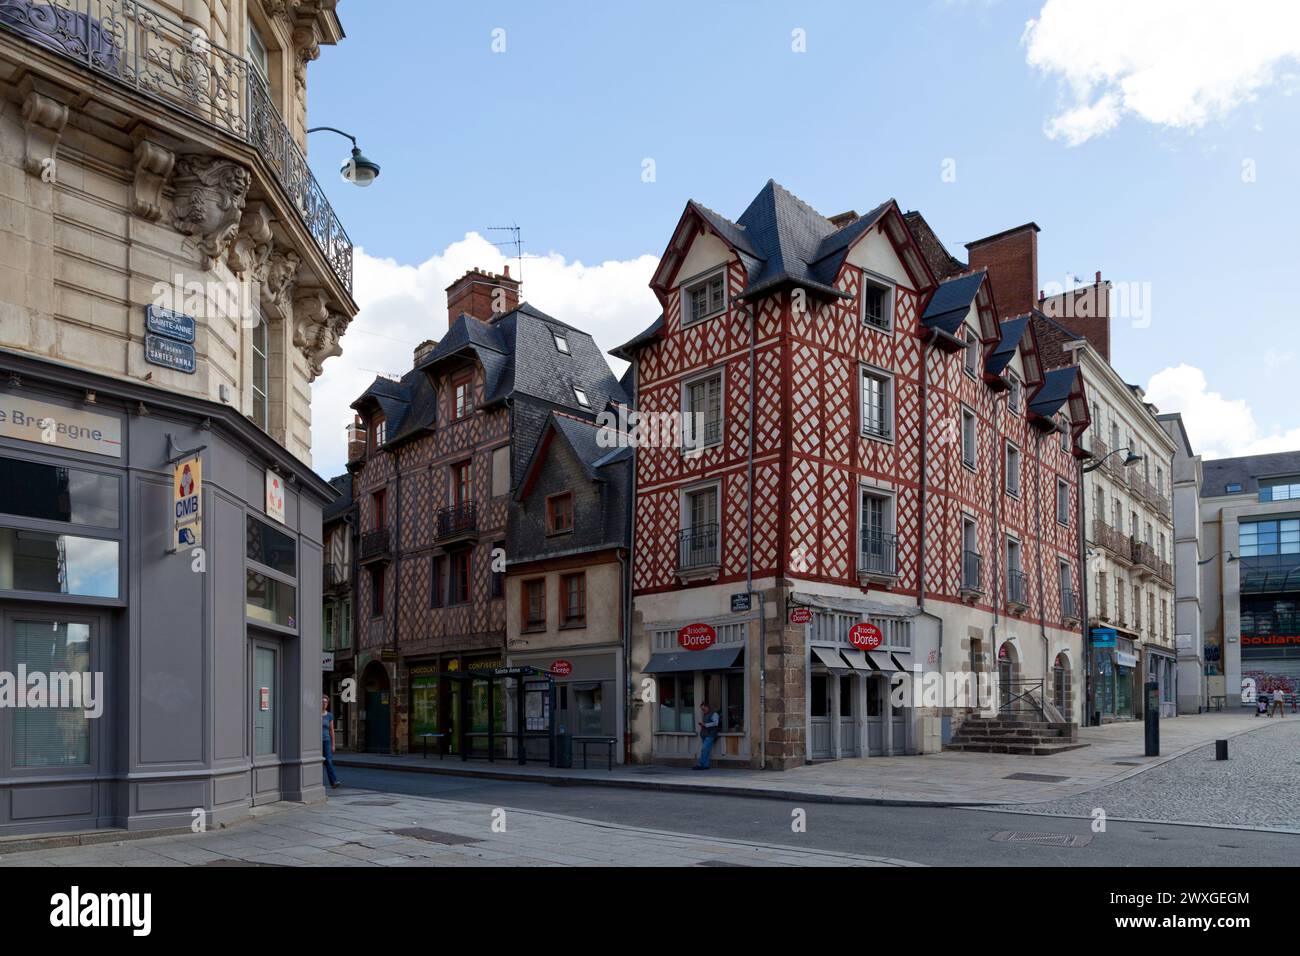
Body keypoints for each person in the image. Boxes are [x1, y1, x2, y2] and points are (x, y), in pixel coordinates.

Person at [693, 702, 720, 770]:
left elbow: (716, 723)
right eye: (702, 709)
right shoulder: (705, 714)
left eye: (704, 708)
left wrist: (705, 725)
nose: (703, 710)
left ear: (707, 707)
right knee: (706, 751)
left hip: (710, 735)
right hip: (705, 735)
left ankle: (701, 764)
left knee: (704, 750)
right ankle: (706, 765)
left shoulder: (714, 714)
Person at [322, 696, 341, 788]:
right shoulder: (315, 714)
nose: (324, 704)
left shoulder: (329, 715)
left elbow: (331, 730)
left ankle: (334, 781)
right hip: (316, 743)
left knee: (328, 761)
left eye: (325, 702)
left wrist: (333, 744)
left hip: (326, 740)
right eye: (322, 702)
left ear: (327, 704)